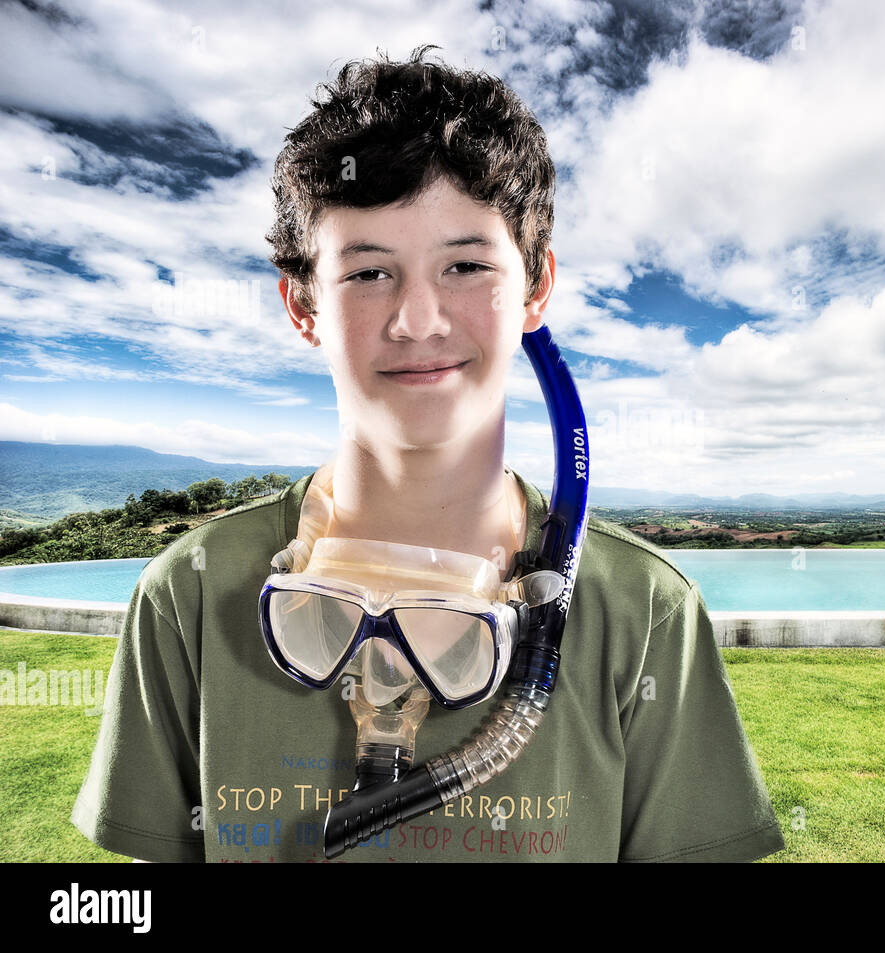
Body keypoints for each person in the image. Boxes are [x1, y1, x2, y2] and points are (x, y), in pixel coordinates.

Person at [71, 44, 784, 863]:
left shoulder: (645, 614)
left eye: (467, 265)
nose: (417, 319)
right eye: (369, 272)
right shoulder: (187, 598)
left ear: (537, 288)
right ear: (302, 304)